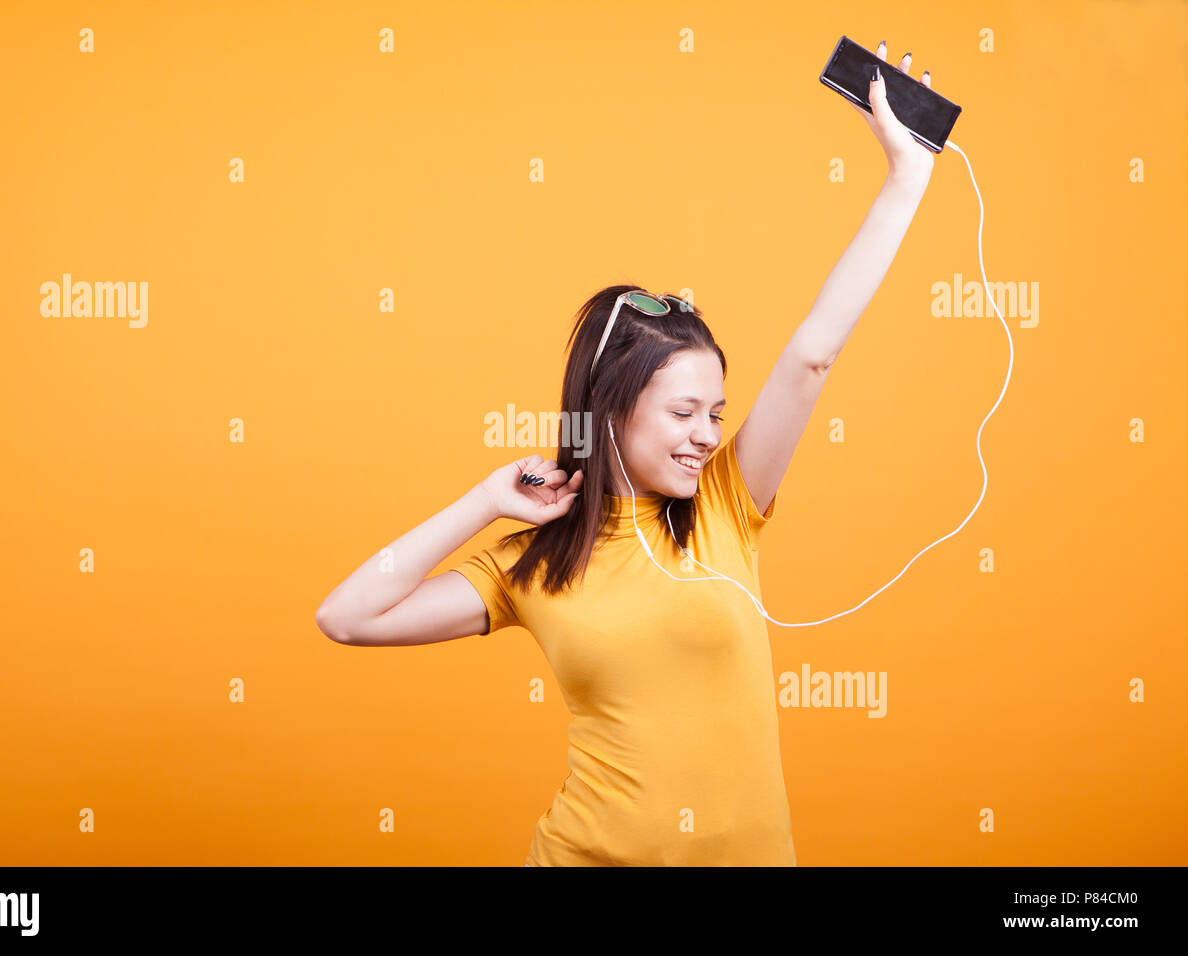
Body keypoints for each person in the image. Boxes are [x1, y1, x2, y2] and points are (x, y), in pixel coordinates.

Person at [315, 41, 937, 866]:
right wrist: (484, 500)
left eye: (716, 410)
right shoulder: (528, 565)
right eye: (684, 411)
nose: (708, 434)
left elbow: (811, 355)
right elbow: (347, 618)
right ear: (610, 410)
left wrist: (906, 180)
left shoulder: (724, 503)